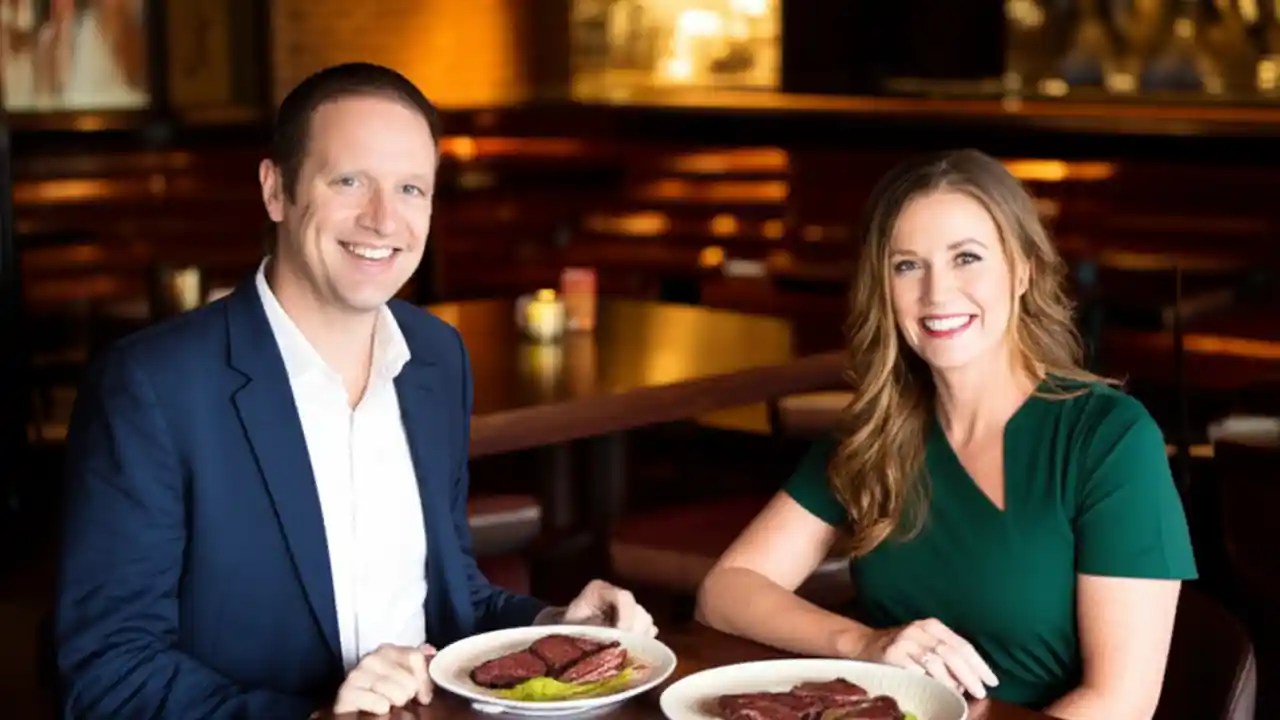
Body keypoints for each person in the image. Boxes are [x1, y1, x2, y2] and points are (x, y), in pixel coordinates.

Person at [55, 62, 656, 720]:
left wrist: (555, 630)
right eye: (349, 181)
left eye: (410, 189)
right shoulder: (153, 386)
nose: (382, 219)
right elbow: (106, 672)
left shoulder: (435, 358)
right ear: (275, 190)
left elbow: (451, 599)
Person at [696, 149, 1196, 719]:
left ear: (1023, 270)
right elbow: (728, 589)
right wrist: (865, 644)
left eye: (967, 258)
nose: (937, 293)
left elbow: (1120, 703)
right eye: (908, 265)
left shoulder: (1108, 438)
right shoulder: (878, 430)